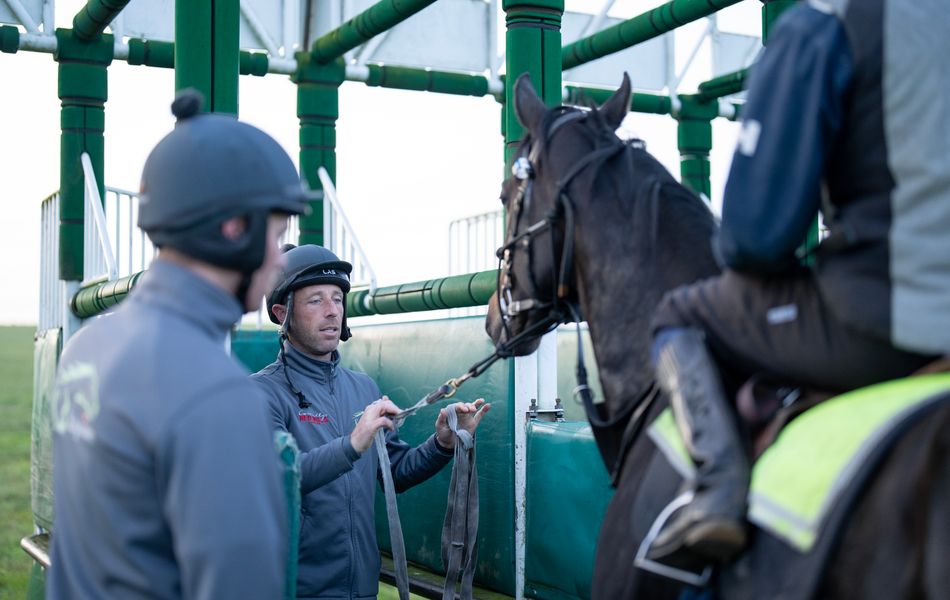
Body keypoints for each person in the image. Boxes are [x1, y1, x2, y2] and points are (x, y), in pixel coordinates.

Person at [646, 0, 950, 567]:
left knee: (679, 315)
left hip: (885, 323)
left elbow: (753, 238)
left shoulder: (825, 21)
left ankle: (719, 490)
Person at [48, 90, 310, 598]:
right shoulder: (215, 394)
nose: (279, 260)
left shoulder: (86, 349)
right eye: (276, 237)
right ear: (234, 229)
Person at [251, 243, 490, 600]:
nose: (332, 311)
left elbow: (395, 472)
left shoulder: (362, 387)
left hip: (363, 590)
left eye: (337, 298)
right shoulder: (260, 393)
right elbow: (277, 479)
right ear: (282, 313)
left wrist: (441, 444)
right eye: (315, 300)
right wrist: (352, 444)